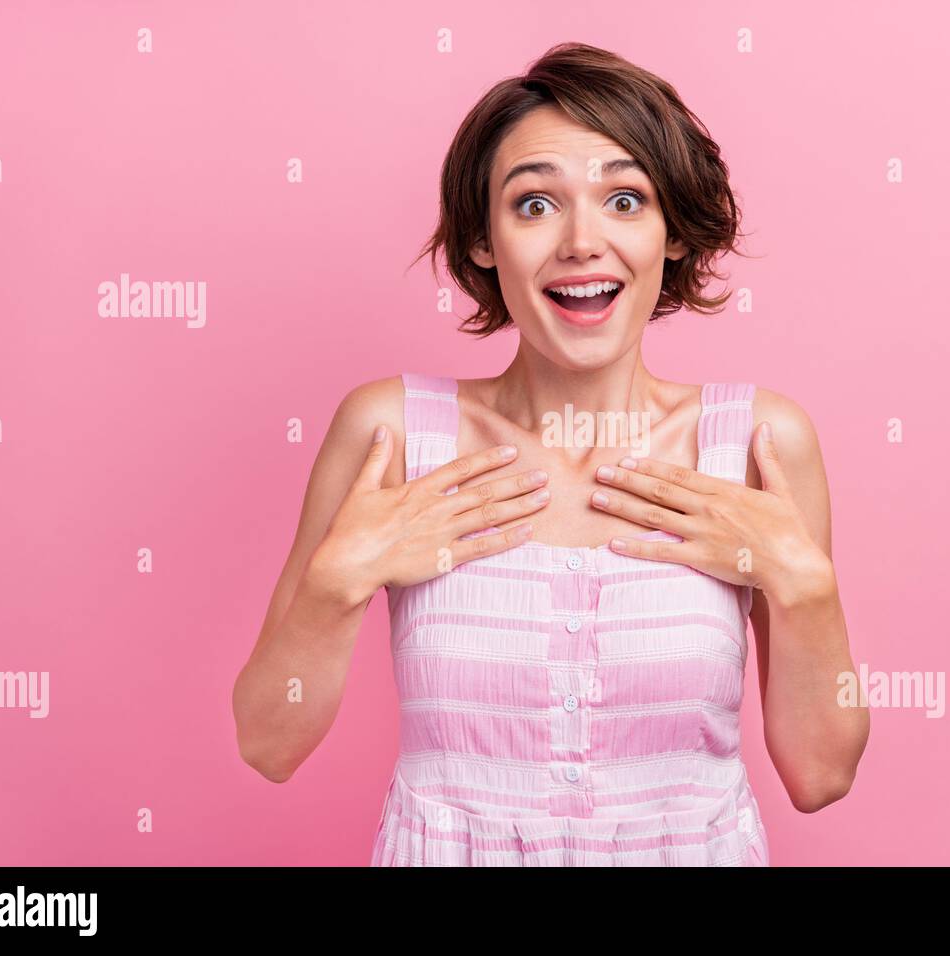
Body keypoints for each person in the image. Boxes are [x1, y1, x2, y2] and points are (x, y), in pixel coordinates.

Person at [233, 42, 868, 866]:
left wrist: (806, 586)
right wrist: (334, 584)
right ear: (484, 242)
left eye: (625, 199)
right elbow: (265, 744)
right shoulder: (389, 430)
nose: (580, 242)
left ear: (673, 233)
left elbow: (821, 776)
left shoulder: (759, 442)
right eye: (534, 204)